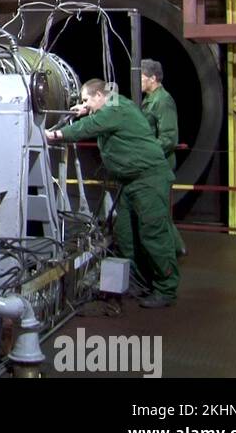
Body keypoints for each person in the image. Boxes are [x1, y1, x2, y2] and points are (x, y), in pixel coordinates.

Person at [46, 79, 180, 308]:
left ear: (99, 96)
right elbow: (100, 111)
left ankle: (166, 289)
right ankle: (139, 282)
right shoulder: (113, 104)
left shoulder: (115, 109)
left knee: (153, 234)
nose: (84, 104)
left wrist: (55, 135)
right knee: (125, 234)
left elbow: (88, 127)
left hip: (148, 179)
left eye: (86, 100)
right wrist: (86, 109)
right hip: (129, 182)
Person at [141, 59, 187, 258]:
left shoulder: (163, 101)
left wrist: (145, 154)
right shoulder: (149, 99)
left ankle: (175, 248)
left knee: (159, 211)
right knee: (156, 210)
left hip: (159, 164)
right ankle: (174, 247)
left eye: (141, 77)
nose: (138, 81)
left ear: (153, 78)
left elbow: (168, 138)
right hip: (151, 163)